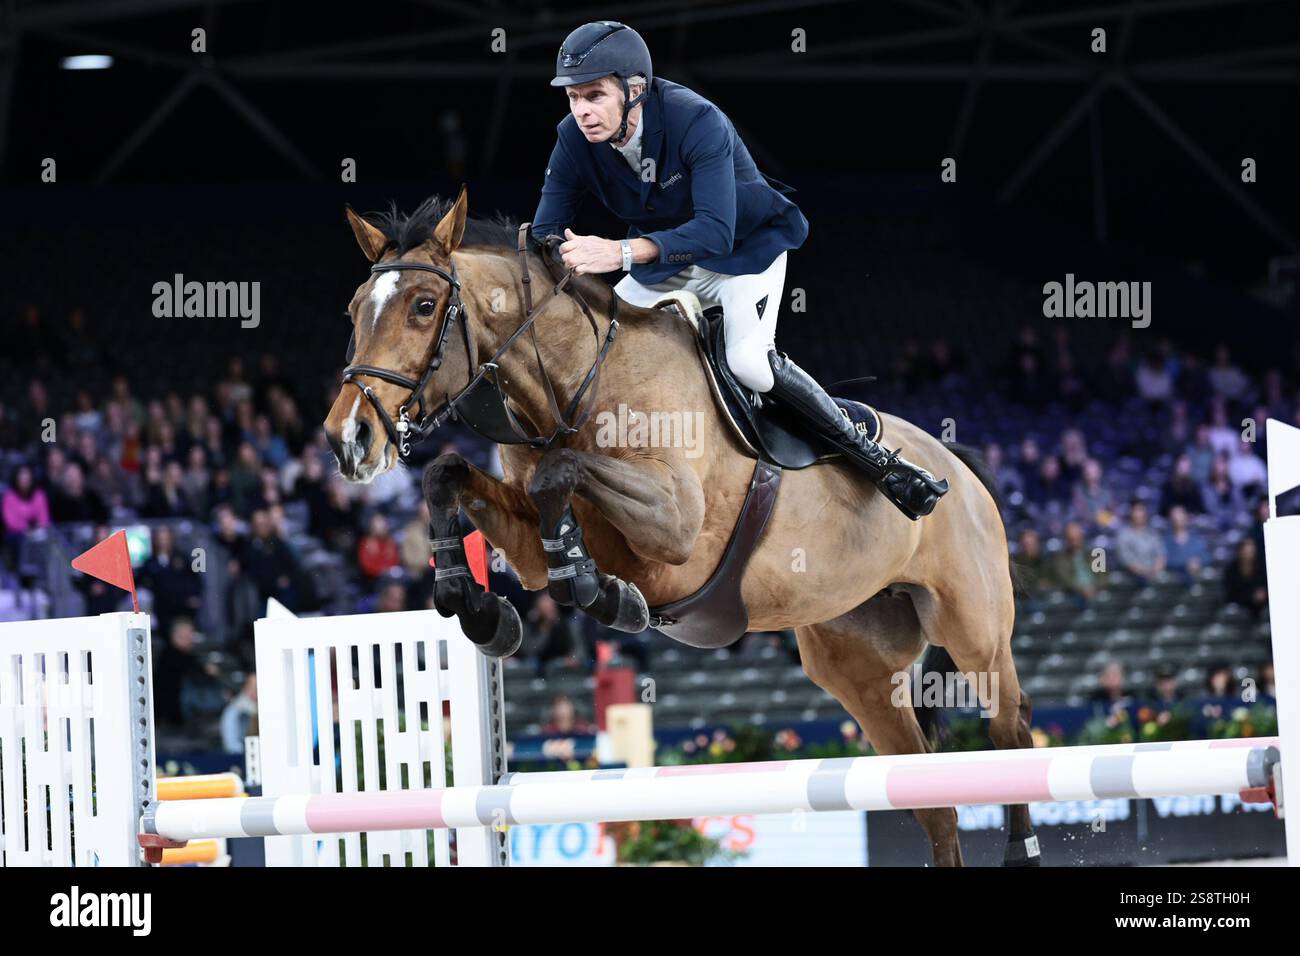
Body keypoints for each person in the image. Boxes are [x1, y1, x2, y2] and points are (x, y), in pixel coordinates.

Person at [531, 20, 947, 520]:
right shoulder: (572, 138)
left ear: (635, 89)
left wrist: (617, 254)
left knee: (748, 360)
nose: (582, 111)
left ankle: (877, 461)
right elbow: (545, 231)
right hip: (665, 262)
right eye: (573, 97)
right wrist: (556, 258)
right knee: (603, 351)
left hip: (743, 252)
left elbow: (713, 234)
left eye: (594, 95)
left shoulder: (696, 119)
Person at [1115, 499, 1165, 583]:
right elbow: (1127, 561)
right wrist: (1146, 572)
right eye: (1136, 510)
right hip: (1133, 577)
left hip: (1154, 574)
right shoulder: (1123, 534)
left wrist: (1155, 571)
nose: (1139, 514)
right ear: (1131, 513)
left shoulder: (1152, 533)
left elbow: (1161, 555)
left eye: (1141, 510)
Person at [1163, 505, 1210, 582]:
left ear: (1186, 518)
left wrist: (1198, 561)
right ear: (1171, 520)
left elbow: (1207, 557)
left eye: (1181, 516)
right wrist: (1186, 564)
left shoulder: (1197, 539)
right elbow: (1164, 561)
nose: (1178, 519)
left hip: (1195, 578)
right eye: (1175, 517)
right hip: (1173, 580)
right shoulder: (1166, 541)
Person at [1223, 537, 1268, 617]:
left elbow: (1265, 587)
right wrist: (1251, 597)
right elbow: (1229, 594)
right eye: (1247, 552)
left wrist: (1263, 594)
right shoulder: (1231, 570)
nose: (1250, 555)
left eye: (1252, 552)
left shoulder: (1261, 567)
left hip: (1259, 609)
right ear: (1240, 552)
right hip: (1238, 608)